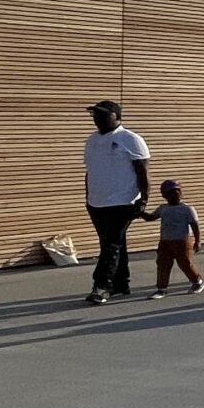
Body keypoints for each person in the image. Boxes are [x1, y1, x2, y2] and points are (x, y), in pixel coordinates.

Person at [81, 97, 150, 304]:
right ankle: (122, 283)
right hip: (96, 202)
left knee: (111, 244)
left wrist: (144, 198)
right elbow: (90, 171)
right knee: (113, 243)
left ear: (116, 116)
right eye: (95, 114)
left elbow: (142, 171)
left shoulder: (130, 139)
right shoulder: (92, 140)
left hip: (123, 201)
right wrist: (88, 196)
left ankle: (102, 286)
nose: (97, 118)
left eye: (103, 114)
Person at [145, 180, 204, 298]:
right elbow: (151, 218)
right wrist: (139, 212)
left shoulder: (187, 209)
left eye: (178, 192)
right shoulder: (163, 208)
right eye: (171, 193)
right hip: (165, 242)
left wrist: (198, 241)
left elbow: (195, 225)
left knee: (185, 263)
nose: (176, 195)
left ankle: (197, 282)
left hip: (182, 240)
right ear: (164, 196)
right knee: (163, 263)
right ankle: (161, 288)